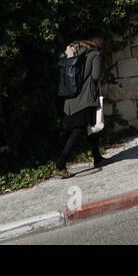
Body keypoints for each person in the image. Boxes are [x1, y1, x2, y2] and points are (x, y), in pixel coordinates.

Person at [55, 33, 108, 178]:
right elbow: (96, 76)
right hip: (85, 98)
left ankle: (97, 157)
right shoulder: (95, 55)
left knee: (88, 127)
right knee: (78, 130)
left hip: (71, 99)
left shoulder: (76, 53)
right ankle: (60, 165)